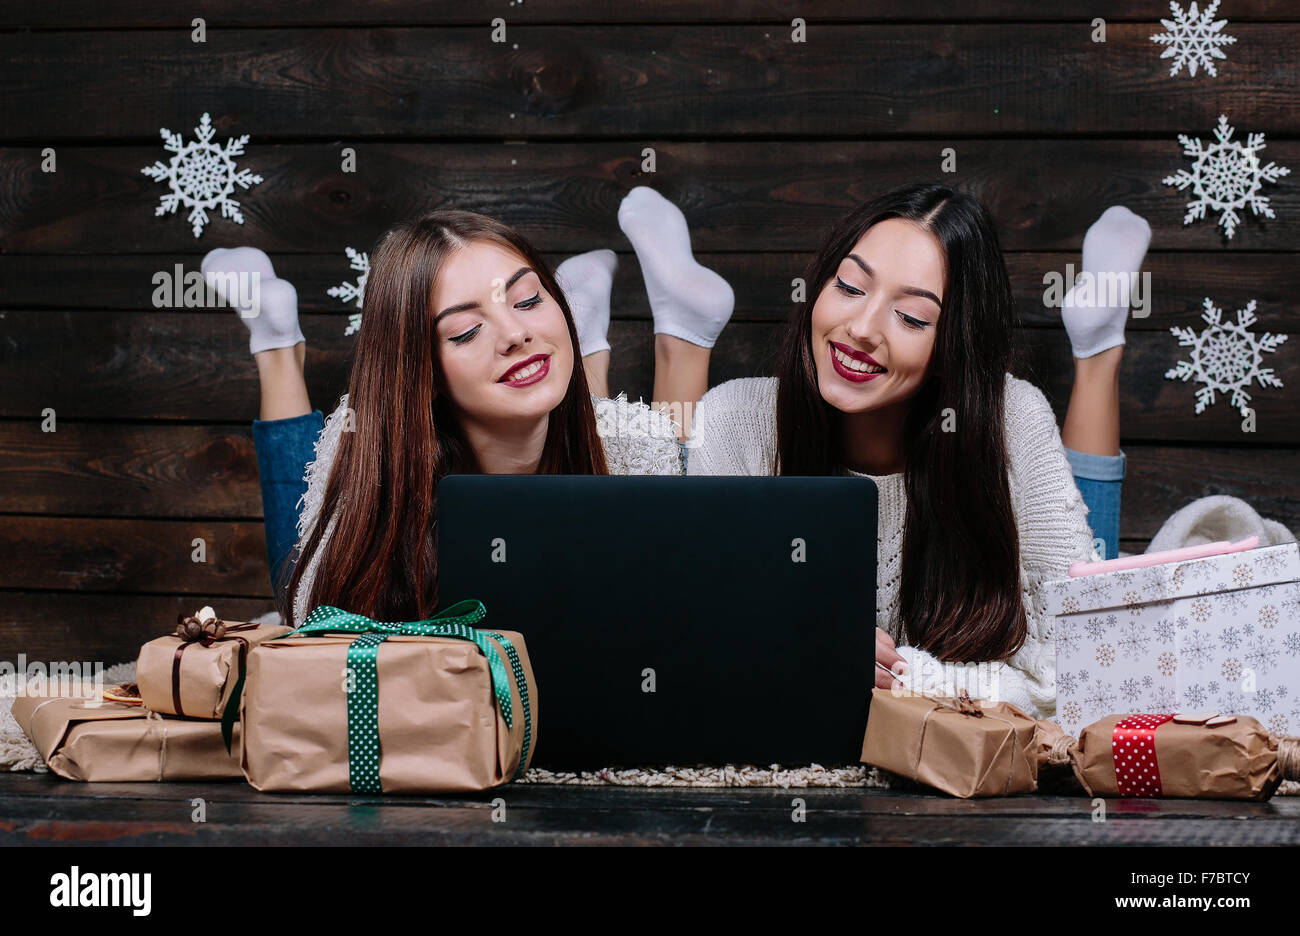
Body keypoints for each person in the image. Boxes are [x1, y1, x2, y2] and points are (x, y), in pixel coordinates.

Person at [683, 182, 1151, 719]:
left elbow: (1077, 673)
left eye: (910, 317)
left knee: (1105, 582)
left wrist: (898, 677)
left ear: (956, 342)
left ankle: (1098, 351)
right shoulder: (732, 421)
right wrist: (803, 650)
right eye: (850, 287)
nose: (860, 329)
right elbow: (699, 642)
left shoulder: (1010, 416)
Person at [210, 199, 735, 629]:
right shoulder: (365, 446)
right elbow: (310, 614)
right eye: (465, 332)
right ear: (423, 373)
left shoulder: (638, 445)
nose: (514, 335)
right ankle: (276, 348)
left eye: (528, 300)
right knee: (289, 577)